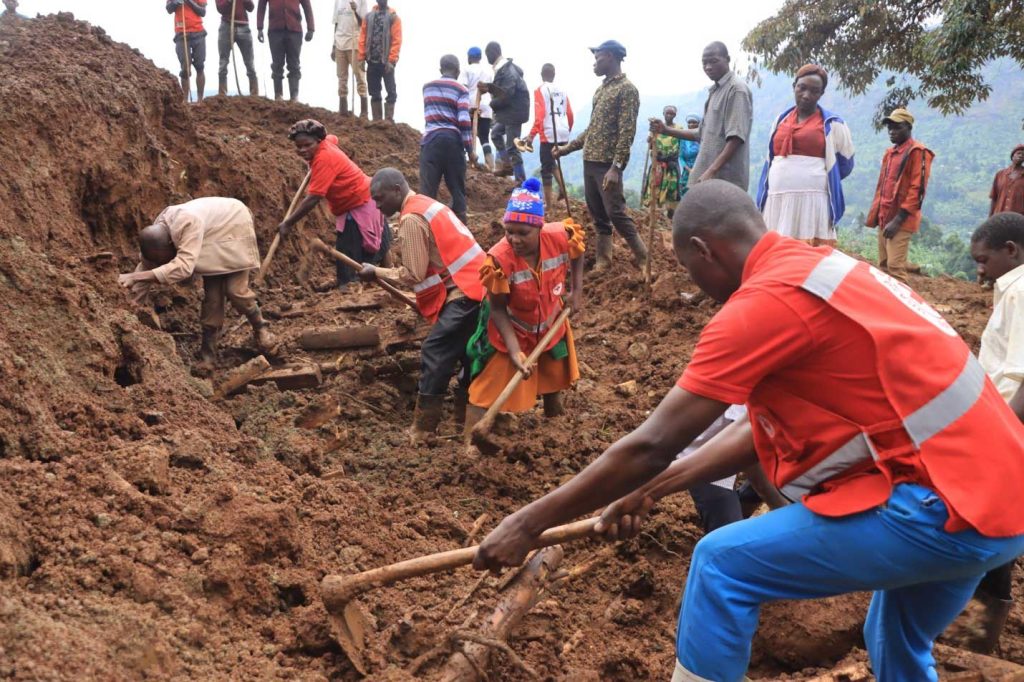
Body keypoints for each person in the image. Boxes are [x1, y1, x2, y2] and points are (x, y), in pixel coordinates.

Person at [474, 179, 1024, 682]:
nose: (694, 283)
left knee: (722, 565)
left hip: (943, 511)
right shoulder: (821, 269)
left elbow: (652, 443)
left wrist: (528, 525)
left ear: (703, 250)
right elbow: (752, 432)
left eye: (688, 269)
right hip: (1003, 501)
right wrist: (650, 492)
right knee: (896, 640)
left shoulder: (761, 305)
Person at [359, 169, 486, 442]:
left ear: (396, 189)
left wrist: (376, 272)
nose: (378, 206)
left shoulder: (412, 219)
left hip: (464, 290)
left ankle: (424, 428)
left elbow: (412, 274)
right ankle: (463, 420)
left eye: (380, 199)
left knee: (436, 350)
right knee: (466, 352)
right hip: (478, 286)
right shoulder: (427, 205)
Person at [464, 178, 584, 433]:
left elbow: (578, 250)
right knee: (485, 389)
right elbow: (497, 309)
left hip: (550, 320)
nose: (514, 239)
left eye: (522, 233)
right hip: (511, 326)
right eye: (509, 231)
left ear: (539, 228)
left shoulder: (559, 236)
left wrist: (576, 290)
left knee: (554, 375)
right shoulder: (499, 260)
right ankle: (471, 443)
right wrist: (515, 350)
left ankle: (556, 426)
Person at [955, 212, 1024, 653]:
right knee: (996, 525)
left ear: (1010, 251)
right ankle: (975, 637)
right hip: (1002, 423)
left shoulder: (1020, 293)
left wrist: (1004, 436)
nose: (978, 270)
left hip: (1008, 426)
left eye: (983, 261)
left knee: (990, 525)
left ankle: (974, 639)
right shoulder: (1011, 289)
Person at [117, 197, 276, 364]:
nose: (161, 264)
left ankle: (261, 328)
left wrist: (133, 277)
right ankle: (209, 357)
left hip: (233, 223)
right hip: (209, 234)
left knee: (235, 290)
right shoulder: (156, 235)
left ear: (172, 244)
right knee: (212, 299)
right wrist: (129, 311)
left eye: (163, 260)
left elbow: (184, 267)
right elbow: (146, 270)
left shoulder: (187, 224)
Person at [553, 40, 647, 272]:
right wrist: (567, 148)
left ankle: (644, 259)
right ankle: (604, 260)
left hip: (607, 165)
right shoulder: (601, 89)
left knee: (616, 212)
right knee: (597, 214)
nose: (594, 64)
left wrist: (616, 167)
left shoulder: (627, 90)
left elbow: (627, 131)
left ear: (611, 57)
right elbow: (592, 129)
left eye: (598, 58)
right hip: (590, 161)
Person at [278, 120, 389, 289]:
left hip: (360, 202)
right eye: (299, 147)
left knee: (352, 257)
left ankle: (351, 288)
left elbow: (314, 198)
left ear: (318, 141)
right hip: (360, 198)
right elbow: (333, 138)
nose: (302, 150)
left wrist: (288, 223)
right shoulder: (326, 142)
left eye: (307, 145)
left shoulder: (324, 159)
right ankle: (375, 279)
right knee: (357, 251)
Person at [755, 64, 855, 247]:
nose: (807, 95)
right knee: (776, 248)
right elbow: (771, 159)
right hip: (777, 198)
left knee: (808, 254)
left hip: (813, 202)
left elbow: (845, 164)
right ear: (794, 86)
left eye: (814, 91)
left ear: (821, 94)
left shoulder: (834, 124)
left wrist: (813, 177)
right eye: (802, 88)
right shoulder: (780, 120)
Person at [651, 42, 752, 191]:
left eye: (713, 61)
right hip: (705, 179)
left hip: (724, 181)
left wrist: (711, 171)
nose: (708, 67)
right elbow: (701, 133)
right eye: (704, 63)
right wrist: (665, 130)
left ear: (727, 59)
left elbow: (736, 138)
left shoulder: (736, 90)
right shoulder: (715, 91)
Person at [865, 108, 935, 283]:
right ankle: (887, 305)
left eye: (897, 127)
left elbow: (917, 189)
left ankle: (903, 305)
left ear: (908, 127)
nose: (892, 131)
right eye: (889, 127)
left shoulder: (918, 152)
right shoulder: (890, 153)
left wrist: (898, 220)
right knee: (884, 264)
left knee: (895, 267)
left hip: (900, 219)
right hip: (883, 215)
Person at [419, 55, 473, 224]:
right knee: (457, 190)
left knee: (427, 192)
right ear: (457, 71)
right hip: (452, 142)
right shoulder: (462, 90)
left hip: (431, 142)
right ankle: (461, 227)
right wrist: (470, 150)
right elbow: (464, 120)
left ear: (441, 70)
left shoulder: (427, 88)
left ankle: (425, 229)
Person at [526, 64, 574, 210]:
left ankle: (548, 204)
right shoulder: (563, 91)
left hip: (548, 133)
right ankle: (563, 191)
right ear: (554, 75)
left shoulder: (540, 90)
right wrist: (567, 131)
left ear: (542, 75)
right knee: (552, 163)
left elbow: (540, 116)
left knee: (546, 168)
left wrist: (531, 135)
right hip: (563, 131)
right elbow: (570, 114)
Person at [482, 41, 530, 182]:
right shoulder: (502, 69)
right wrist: (489, 87)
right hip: (509, 112)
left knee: (512, 147)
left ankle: (521, 182)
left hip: (514, 114)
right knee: (496, 133)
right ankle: (507, 167)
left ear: (492, 53)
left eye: (487, 55)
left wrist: (492, 103)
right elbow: (502, 90)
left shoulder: (507, 71)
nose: (487, 59)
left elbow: (507, 95)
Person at [256, 0, 314, 102]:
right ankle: (278, 95)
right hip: (275, 30)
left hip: (294, 30)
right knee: (277, 64)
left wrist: (311, 28)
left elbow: (307, 6)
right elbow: (261, 6)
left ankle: (294, 96)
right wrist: (259, 28)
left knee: (294, 64)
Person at [358, 0, 401, 122]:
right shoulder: (368, 16)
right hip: (372, 61)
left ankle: (388, 119)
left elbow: (397, 40)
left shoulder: (393, 17)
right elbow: (363, 37)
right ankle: (377, 120)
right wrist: (361, 57)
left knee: (391, 91)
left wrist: (392, 61)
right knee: (374, 91)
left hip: (387, 62)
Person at [643, 105, 683, 220]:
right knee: (655, 188)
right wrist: (650, 140)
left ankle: (669, 217)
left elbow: (681, 147)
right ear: (663, 114)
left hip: (671, 165)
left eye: (672, 114)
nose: (669, 115)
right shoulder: (656, 129)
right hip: (658, 165)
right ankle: (653, 215)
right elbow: (651, 146)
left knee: (671, 190)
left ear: (675, 115)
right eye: (667, 113)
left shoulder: (678, 129)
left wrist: (672, 158)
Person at [332, 0, 369, 117]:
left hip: (354, 42)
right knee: (341, 77)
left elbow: (364, 23)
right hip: (339, 42)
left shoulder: (361, 1)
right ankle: (342, 111)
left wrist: (355, 10)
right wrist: (333, 45)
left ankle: (364, 113)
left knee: (359, 76)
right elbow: (336, 23)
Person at [459, 46, 494, 171]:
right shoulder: (488, 71)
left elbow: (463, 89)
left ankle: (469, 161)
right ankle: (491, 166)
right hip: (486, 106)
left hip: (471, 105)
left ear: (469, 57)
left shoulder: (466, 70)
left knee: (467, 134)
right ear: (480, 58)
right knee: (484, 137)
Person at [167, 0, 208, 103]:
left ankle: (200, 100)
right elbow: (169, 9)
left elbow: (202, 12)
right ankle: (185, 100)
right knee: (185, 68)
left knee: (199, 66)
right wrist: (175, 3)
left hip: (198, 32)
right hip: (181, 33)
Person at [214, 0, 258, 96]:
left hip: (244, 27)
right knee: (223, 63)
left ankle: (254, 94)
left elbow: (251, 7)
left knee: (250, 63)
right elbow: (220, 8)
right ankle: (222, 94)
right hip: (227, 26)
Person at [990, 144, 1024, 216]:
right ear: (1012, 156)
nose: (1021, 155)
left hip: (1018, 219)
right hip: (999, 216)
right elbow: (994, 198)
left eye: (1023, 154)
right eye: (1018, 153)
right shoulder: (1000, 175)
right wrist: (990, 217)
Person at [679, 115, 701, 199]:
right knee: (685, 195)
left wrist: (696, 170)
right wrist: (689, 170)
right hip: (687, 172)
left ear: (699, 124)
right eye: (689, 122)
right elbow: (681, 157)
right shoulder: (683, 139)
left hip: (700, 171)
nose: (691, 124)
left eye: (694, 122)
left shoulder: (702, 139)